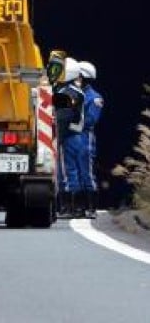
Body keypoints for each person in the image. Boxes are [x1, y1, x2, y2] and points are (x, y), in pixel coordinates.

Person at [55, 57, 86, 219]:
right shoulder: (75, 92)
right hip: (76, 135)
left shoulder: (67, 94)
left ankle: (68, 207)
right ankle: (76, 207)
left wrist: (56, 138)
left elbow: (62, 118)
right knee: (74, 171)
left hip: (68, 136)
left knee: (66, 173)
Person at [76, 61, 105, 219]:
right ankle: (79, 207)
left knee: (86, 173)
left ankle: (91, 207)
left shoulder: (94, 98)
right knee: (75, 175)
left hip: (84, 138)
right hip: (72, 138)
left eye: (78, 76)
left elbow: (91, 120)